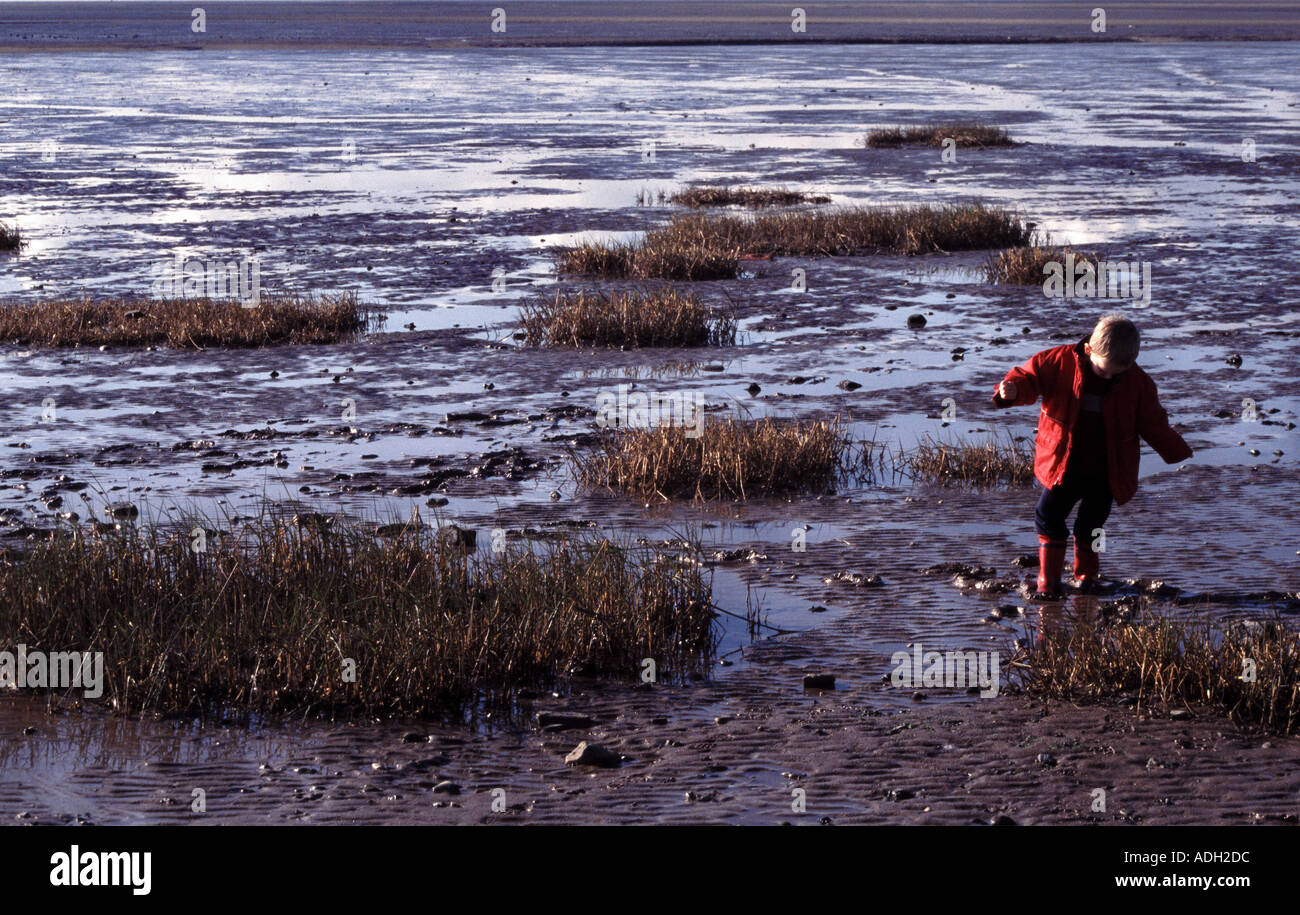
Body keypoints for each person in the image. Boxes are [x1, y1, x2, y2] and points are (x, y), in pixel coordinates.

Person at [991, 313, 1193, 598]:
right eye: (1104, 371)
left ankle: (1088, 577)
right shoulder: (1058, 361)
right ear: (1088, 350)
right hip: (1065, 465)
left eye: (1117, 373)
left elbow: (1152, 422)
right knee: (1047, 517)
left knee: (1092, 527)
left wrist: (1176, 450)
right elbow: (1027, 378)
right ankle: (1048, 583)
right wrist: (1011, 391)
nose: (1110, 377)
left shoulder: (1138, 383)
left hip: (1108, 471)